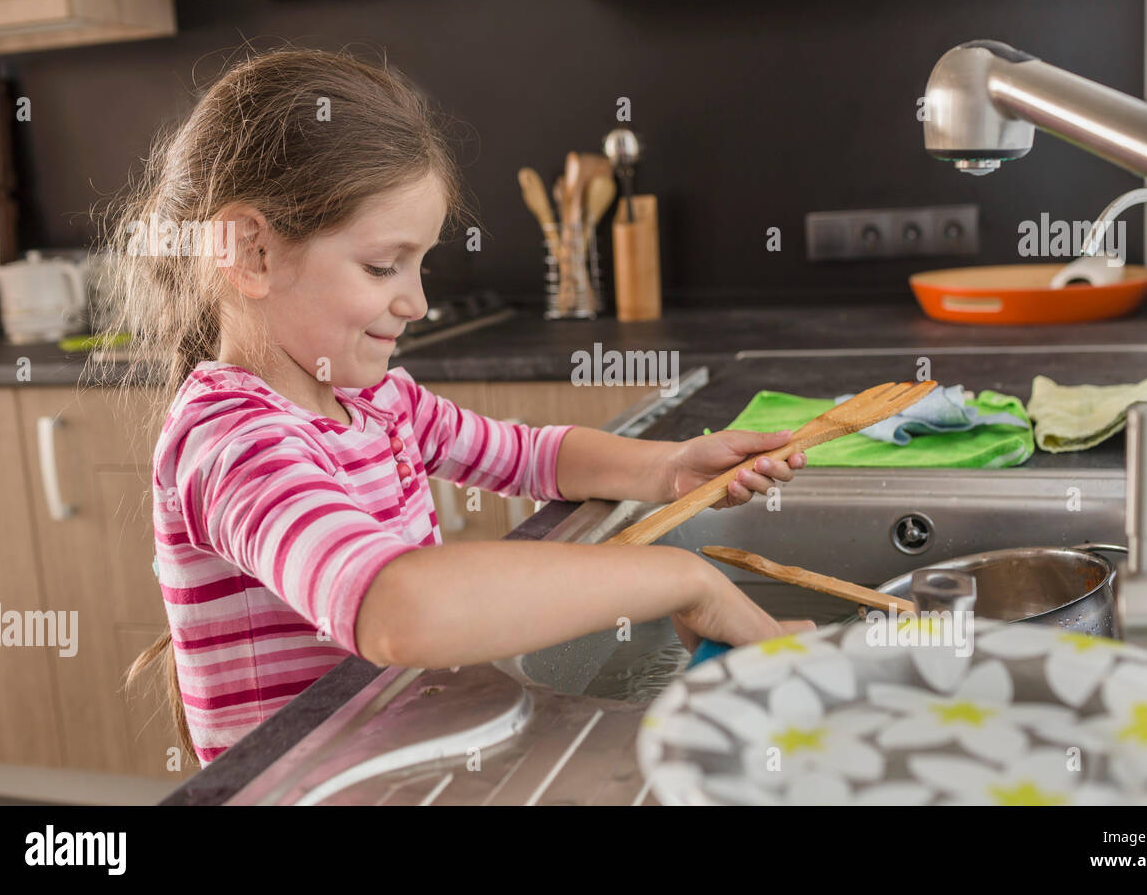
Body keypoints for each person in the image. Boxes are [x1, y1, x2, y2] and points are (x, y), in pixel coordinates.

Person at [100, 48, 811, 767]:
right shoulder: (231, 443)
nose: (416, 302)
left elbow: (531, 456)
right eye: (382, 266)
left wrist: (669, 469)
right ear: (250, 252)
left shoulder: (374, 402)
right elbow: (398, 609)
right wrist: (682, 581)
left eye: (420, 263)